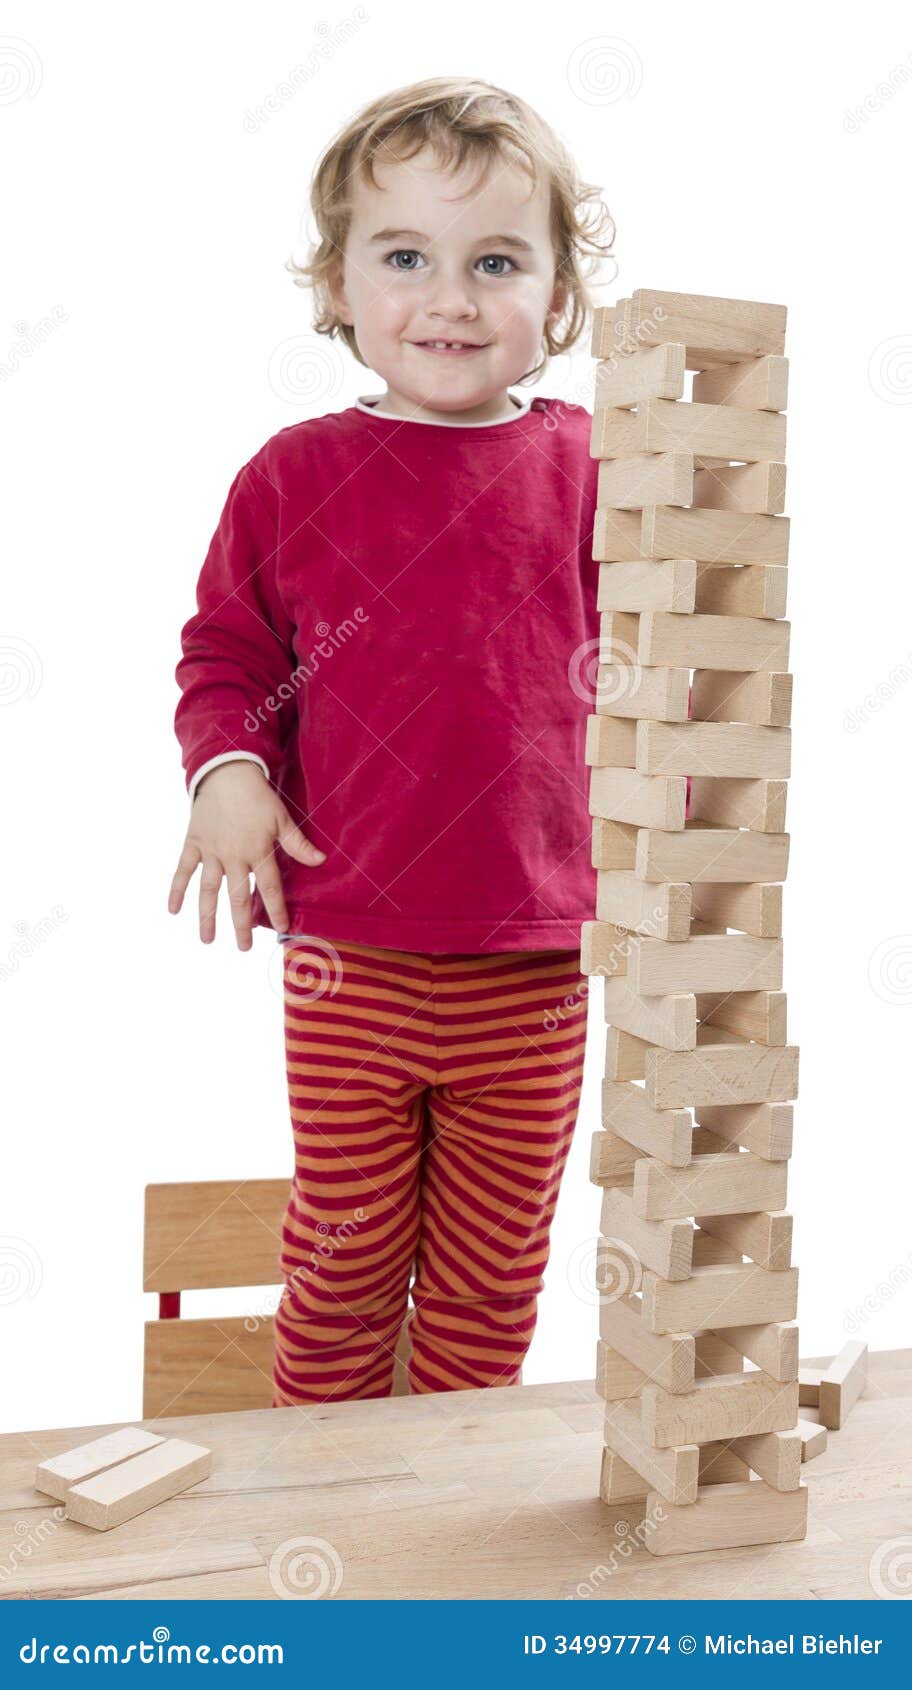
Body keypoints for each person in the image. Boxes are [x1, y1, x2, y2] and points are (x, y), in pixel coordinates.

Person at [169, 76, 615, 1405]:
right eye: (406, 257)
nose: (453, 299)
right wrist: (231, 772)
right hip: (351, 961)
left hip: (535, 969)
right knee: (346, 1259)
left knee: (492, 1276)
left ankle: (448, 1497)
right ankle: (330, 1495)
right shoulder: (293, 475)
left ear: (557, 296)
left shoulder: (599, 468)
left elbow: (670, 684)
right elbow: (227, 657)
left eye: (497, 262)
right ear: (342, 284)